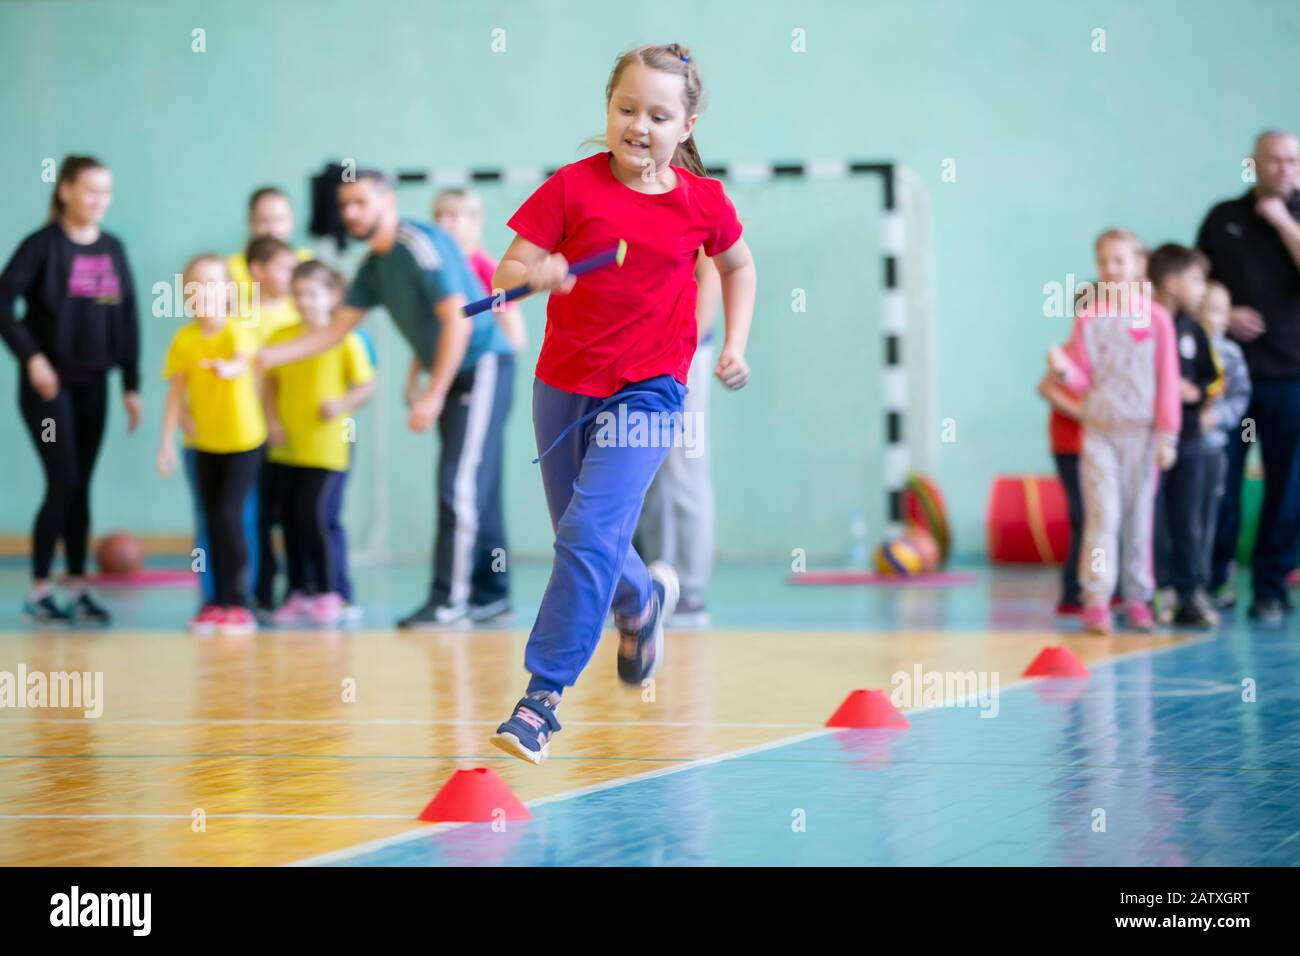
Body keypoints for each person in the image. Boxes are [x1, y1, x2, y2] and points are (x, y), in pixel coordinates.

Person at [487, 43, 756, 764]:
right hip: (564, 386)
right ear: (608, 109)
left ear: (687, 124)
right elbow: (509, 267)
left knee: (587, 531)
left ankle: (541, 699)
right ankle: (640, 601)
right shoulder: (571, 188)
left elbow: (739, 265)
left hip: (650, 389)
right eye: (626, 109)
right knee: (585, 536)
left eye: (659, 114)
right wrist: (533, 274)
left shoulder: (704, 202)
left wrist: (735, 343)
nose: (639, 125)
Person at [257, 171, 516, 629]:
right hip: (451, 370)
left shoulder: (418, 244)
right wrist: (262, 357)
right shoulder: (374, 267)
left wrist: (432, 394)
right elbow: (334, 331)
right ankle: (492, 595)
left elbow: (456, 322)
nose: (351, 213)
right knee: (476, 484)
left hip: (482, 365)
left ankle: (449, 601)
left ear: (387, 201)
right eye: (345, 206)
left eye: (360, 202)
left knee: (458, 482)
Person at [0, 155, 142, 627]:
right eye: (90, 190)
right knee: (62, 479)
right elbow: (3, 303)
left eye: (107, 191)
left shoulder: (113, 248)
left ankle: (78, 586)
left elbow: (127, 319)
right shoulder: (41, 246)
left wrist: (131, 384)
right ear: (64, 191)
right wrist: (32, 358)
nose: (99, 200)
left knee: (81, 486)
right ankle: (40, 588)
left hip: (93, 384)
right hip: (48, 387)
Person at [1049, 229, 1181, 636]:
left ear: (1139, 264)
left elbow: (1167, 380)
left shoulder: (1157, 319)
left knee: (1139, 518)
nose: (1111, 269)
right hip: (1100, 432)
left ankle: (1139, 598)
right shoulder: (1089, 318)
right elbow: (1083, 376)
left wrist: (1167, 435)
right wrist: (1063, 369)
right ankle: (1097, 600)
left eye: (1120, 261)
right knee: (1102, 516)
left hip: (1142, 436)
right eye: (1104, 262)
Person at [1198, 130, 1300, 622]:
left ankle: (1271, 587)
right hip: (1230, 380)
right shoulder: (1223, 219)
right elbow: (1197, 287)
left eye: (1292, 161)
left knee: (1288, 490)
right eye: (1274, 160)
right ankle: (1215, 582)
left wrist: (1282, 222)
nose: (1283, 169)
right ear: (1254, 165)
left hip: (1291, 378)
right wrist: (1226, 312)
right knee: (1221, 484)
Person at [157, 255, 265, 636]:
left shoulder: (237, 331)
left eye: (213, 283)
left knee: (228, 517)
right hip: (203, 444)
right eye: (196, 285)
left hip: (243, 443)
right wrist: (166, 443)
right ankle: (213, 602)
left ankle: (239, 603)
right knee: (208, 521)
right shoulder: (184, 340)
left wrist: (229, 369)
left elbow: (242, 361)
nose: (205, 292)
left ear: (228, 292)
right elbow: (175, 394)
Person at [263, 261, 375, 626]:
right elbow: (270, 385)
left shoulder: (346, 338)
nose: (303, 300)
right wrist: (273, 421)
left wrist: (341, 404)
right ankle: (299, 591)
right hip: (287, 446)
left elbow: (365, 386)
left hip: (328, 447)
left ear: (333, 297)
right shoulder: (281, 336)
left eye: (312, 293)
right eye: (297, 293)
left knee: (316, 516)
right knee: (291, 520)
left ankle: (331, 592)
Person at [636, 252, 722, 625]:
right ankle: (652, 582)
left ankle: (689, 588)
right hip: (636, 349)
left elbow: (712, 277)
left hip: (684, 352)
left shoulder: (693, 197)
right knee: (643, 470)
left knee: (686, 467)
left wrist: (685, 349)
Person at [1148, 244, 1218, 628]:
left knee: (1187, 517)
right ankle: (1157, 591)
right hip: (1151, 441)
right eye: (1196, 280)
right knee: (1152, 519)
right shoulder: (1143, 322)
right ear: (1171, 283)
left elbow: (1213, 377)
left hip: (1188, 438)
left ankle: (1191, 591)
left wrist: (1199, 392)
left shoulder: (1194, 329)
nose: (1202, 288)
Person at [1196, 281, 1251, 595]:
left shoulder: (1231, 354)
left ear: (1227, 317)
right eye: (1202, 308)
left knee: (1221, 508)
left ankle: (1218, 576)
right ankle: (1183, 584)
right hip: (1181, 448)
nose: (1207, 317)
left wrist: (1216, 418)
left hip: (1217, 445)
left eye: (1216, 311)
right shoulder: (1179, 344)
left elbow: (1241, 398)